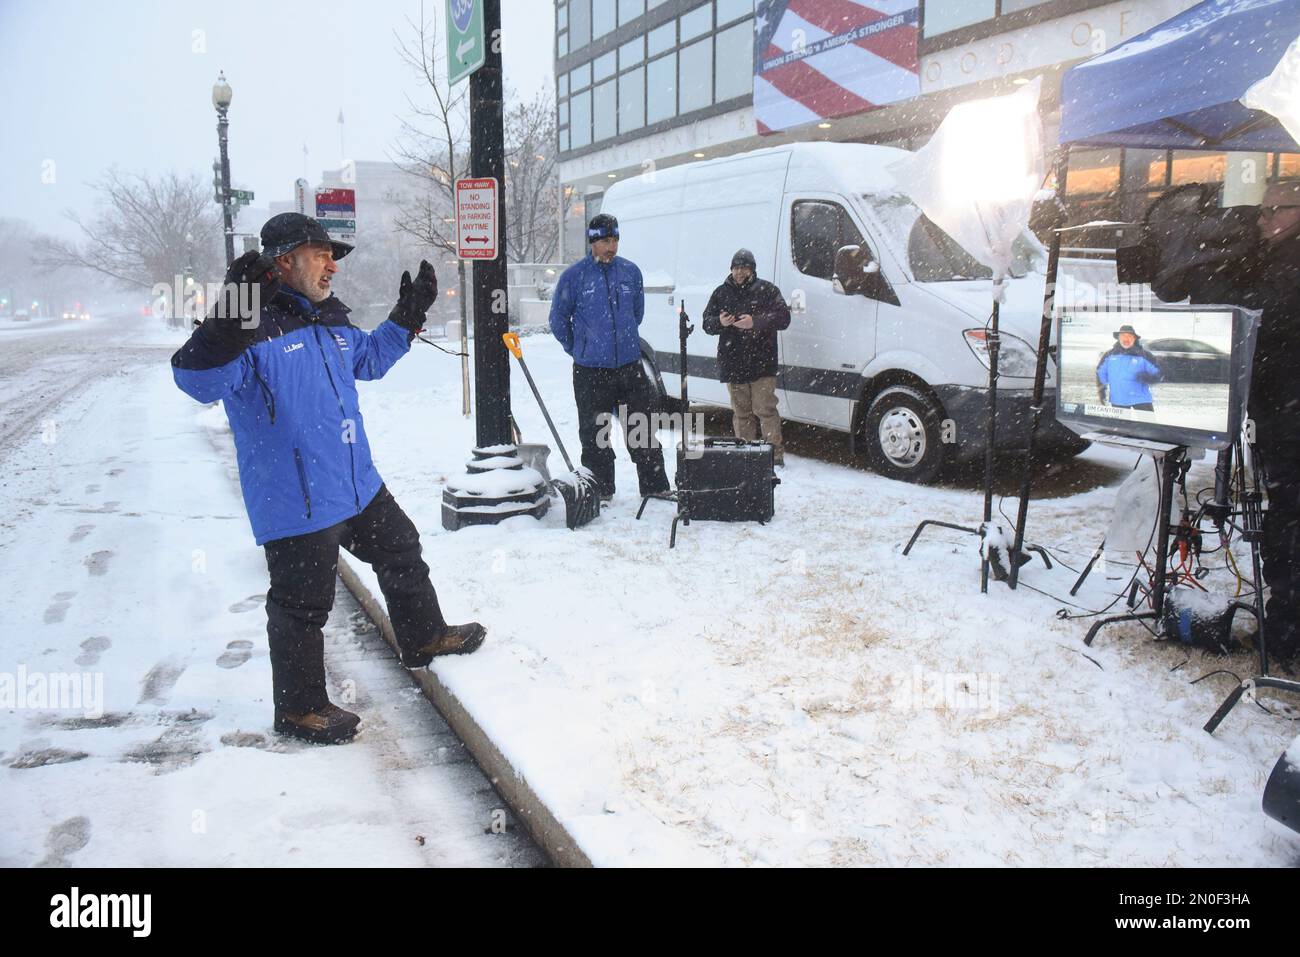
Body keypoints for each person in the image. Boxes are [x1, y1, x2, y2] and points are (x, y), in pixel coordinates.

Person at [171, 213, 484, 744]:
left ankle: (424, 637)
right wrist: (228, 321)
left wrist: (406, 318)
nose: (332, 266)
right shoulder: (246, 331)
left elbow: (368, 359)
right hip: (295, 498)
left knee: (402, 549)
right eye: (322, 254)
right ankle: (299, 710)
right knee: (301, 606)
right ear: (284, 261)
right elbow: (195, 380)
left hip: (355, 484)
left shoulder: (329, 318)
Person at [1152, 180, 1300, 668]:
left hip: (1288, 412)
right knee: (1285, 518)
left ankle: (1287, 632)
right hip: (1279, 408)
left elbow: (1266, 316)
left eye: (1272, 211)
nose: (1261, 221)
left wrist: (1218, 270)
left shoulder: (1288, 264)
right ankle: (1284, 624)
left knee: (1289, 523)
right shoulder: (1269, 256)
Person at [548, 212, 670, 501]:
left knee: (641, 427)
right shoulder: (574, 277)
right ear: (592, 242)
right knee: (596, 433)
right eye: (605, 240)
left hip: (629, 366)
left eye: (614, 240)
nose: (611, 247)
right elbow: (558, 320)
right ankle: (601, 488)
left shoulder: (630, 272)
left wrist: (622, 342)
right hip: (591, 371)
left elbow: (636, 314)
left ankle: (655, 486)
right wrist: (580, 349)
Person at [702, 248, 791, 465]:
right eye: (736, 268)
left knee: (765, 410)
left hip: (762, 364)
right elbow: (707, 323)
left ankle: (774, 456)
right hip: (733, 363)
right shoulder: (720, 293)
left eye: (744, 268)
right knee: (741, 414)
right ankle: (746, 454)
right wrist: (719, 322)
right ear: (731, 269)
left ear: (752, 270)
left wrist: (756, 322)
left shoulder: (767, 290)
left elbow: (783, 318)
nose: (740, 272)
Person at [1095, 324, 1162, 411]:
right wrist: (1101, 390)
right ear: (1118, 338)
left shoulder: (1144, 355)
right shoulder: (1109, 355)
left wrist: (1148, 377)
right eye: (1123, 336)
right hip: (1118, 400)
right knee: (1120, 425)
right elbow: (1100, 373)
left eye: (1129, 336)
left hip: (1141, 399)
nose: (1126, 339)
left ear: (1134, 338)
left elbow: (1158, 373)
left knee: (1147, 424)